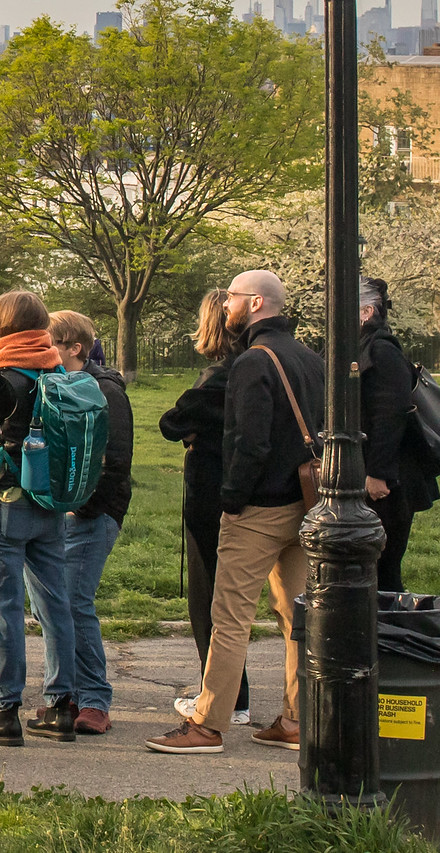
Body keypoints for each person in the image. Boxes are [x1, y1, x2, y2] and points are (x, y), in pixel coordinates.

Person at [148, 270, 322, 756]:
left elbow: (250, 441)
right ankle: (296, 719)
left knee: (229, 618)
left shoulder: (252, 361)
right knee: (296, 618)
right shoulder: (311, 359)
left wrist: (232, 499)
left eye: (231, 298)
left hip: (260, 508)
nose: (225, 305)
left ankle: (206, 725)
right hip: (306, 502)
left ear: (256, 303)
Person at [0, 290, 80, 746]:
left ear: (0, 324)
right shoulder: (58, 372)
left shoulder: (2, 376)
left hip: (4, 499)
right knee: (55, 606)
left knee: (4, 610)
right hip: (48, 502)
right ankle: (60, 707)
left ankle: (6, 711)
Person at [158, 290, 253, 729]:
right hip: (249, 490)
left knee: (210, 595)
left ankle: (224, 695)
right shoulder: (254, 367)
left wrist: (192, 429)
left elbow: (172, 421)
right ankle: (234, 694)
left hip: (211, 490)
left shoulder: (217, 376)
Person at [47, 310, 133, 736]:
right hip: (61, 512)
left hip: (93, 513)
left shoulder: (105, 391)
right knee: (56, 605)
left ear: (74, 348)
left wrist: (78, 507)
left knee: (73, 601)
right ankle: (68, 694)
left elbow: (114, 461)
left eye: (50, 344)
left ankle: (95, 698)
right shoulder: (58, 384)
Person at [359, 278, 434, 593]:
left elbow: (391, 414)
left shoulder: (381, 350)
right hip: (374, 474)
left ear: (366, 311)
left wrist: (378, 474)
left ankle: (391, 626)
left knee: (383, 571)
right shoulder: (361, 347)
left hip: (390, 481)